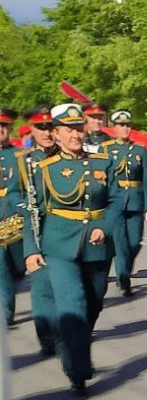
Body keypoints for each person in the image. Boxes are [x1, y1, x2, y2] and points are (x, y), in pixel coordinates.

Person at [20, 104, 121, 395]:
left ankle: (69, 343)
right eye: (68, 129)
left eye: (79, 128)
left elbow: (116, 200)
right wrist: (31, 249)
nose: (75, 134)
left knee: (94, 303)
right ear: (57, 134)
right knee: (72, 302)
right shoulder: (45, 168)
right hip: (59, 245)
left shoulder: (103, 162)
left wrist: (107, 226)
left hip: (99, 245)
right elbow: (33, 210)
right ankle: (78, 368)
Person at [15, 106, 60, 354]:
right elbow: (14, 194)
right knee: (42, 286)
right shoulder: (23, 161)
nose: (46, 132)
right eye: (41, 127)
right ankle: (47, 337)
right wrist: (26, 207)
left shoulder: (67, 156)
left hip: (67, 231)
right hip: (39, 229)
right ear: (32, 130)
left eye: (50, 127)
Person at [99, 110, 147, 297]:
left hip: (136, 199)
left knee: (134, 242)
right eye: (121, 125)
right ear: (114, 128)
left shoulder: (140, 150)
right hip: (113, 201)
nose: (125, 128)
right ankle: (124, 279)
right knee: (120, 242)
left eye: (128, 125)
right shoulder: (105, 149)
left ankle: (124, 268)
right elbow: (101, 180)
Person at [0, 108, 26, 327]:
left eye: (4, 126)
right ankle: (6, 312)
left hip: (15, 220)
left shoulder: (19, 156)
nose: (0, 130)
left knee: (17, 267)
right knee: (2, 268)